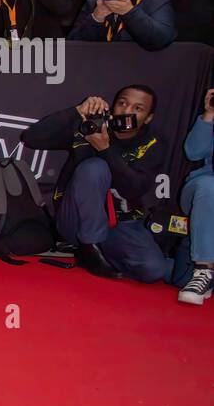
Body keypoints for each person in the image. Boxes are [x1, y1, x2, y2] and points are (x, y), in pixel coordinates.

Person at [21, 86, 170, 282]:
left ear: (148, 118)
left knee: (154, 270)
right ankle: (90, 245)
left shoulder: (153, 143)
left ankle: (95, 252)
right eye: (123, 103)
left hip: (120, 222)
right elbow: (31, 138)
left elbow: (134, 189)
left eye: (138, 108)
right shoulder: (91, 125)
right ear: (113, 105)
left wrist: (105, 149)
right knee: (94, 167)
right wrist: (76, 111)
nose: (126, 111)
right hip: (75, 220)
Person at [67, 0, 177, 51]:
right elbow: (73, 45)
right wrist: (96, 18)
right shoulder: (94, 2)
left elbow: (161, 39)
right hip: (98, 69)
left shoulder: (156, 0)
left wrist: (129, 13)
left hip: (138, 71)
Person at [175, 88, 214, 304]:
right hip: (204, 188)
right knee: (209, 186)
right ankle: (203, 271)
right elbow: (193, 152)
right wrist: (209, 115)